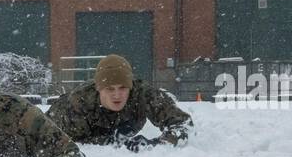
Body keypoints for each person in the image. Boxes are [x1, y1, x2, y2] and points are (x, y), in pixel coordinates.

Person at [46, 54, 192, 150]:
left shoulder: (142, 93)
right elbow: (54, 142)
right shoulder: (78, 104)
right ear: (99, 89)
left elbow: (183, 124)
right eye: (110, 89)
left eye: (123, 88)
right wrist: (113, 142)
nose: (117, 95)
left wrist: (156, 145)